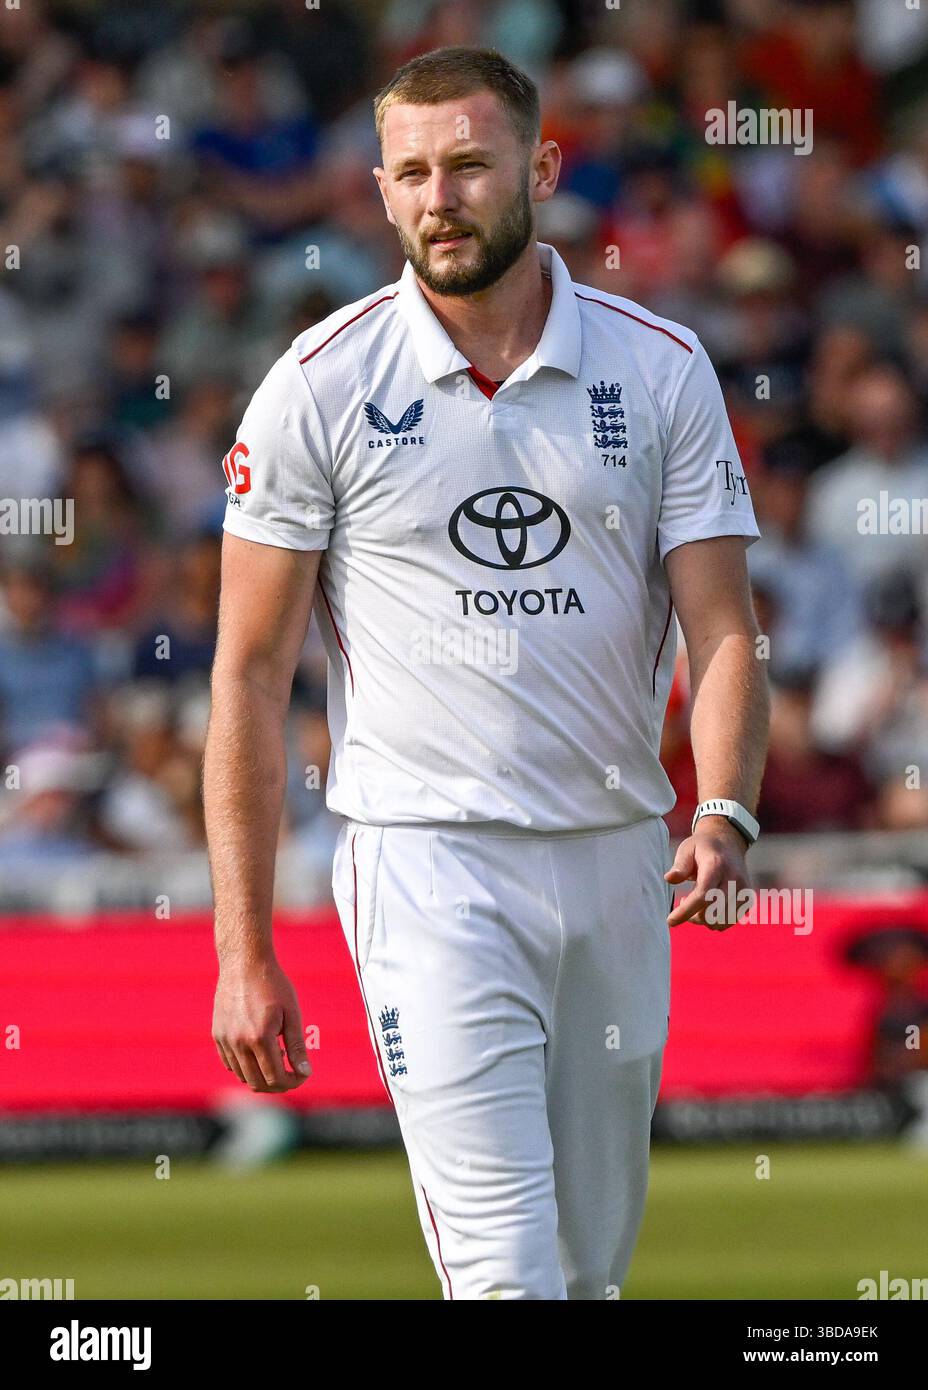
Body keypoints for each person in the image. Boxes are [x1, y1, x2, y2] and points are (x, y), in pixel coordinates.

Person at [204, 46, 768, 1301]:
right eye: (410, 173)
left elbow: (723, 626)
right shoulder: (316, 383)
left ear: (542, 169)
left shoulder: (661, 365)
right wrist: (243, 947)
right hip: (428, 863)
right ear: (379, 189)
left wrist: (722, 806)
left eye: (467, 164)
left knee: (586, 1272)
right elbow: (246, 678)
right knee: (506, 1273)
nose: (438, 197)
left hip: (622, 852)